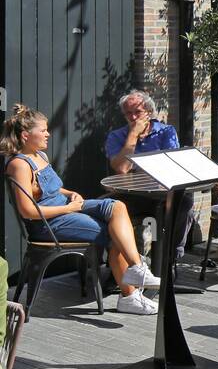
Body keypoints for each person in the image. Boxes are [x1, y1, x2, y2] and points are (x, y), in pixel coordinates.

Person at [2, 104, 159, 314]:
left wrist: (68, 194)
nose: (48, 134)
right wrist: (69, 208)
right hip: (49, 224)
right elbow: (28, 211)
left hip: (66, 208)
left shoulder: (40, 156)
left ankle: (136, 269)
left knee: (116, 207)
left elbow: (53, 188)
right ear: (25, 135)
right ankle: (130, 294)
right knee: (116, 233)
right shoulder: (19, 165)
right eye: (43, 130)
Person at [105, 91, 194, 258]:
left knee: (185, 203)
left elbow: (172, 166)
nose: (133, 117)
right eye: (128, 113)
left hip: (163, 194)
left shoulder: (166, 132)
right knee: (110, 210)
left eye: (137, 112)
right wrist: (133, 135)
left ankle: (170, 258)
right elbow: (122, 169)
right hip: (132, 195)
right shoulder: (117, 136)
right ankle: (122, 265)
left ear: (149, 112)